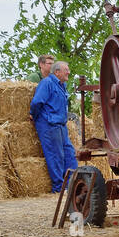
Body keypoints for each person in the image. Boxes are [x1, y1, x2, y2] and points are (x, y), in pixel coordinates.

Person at [30, 61, 78, 192]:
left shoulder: (63, 85)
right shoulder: (47, 83)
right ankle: (58, 189)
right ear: (57, 72)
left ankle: (70, 186)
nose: (68, 72)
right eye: (66, 70)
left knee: (70, 155)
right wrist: (34, 116)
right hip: (49, 125)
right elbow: (36, 102)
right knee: (55, 156)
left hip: (61, 126)